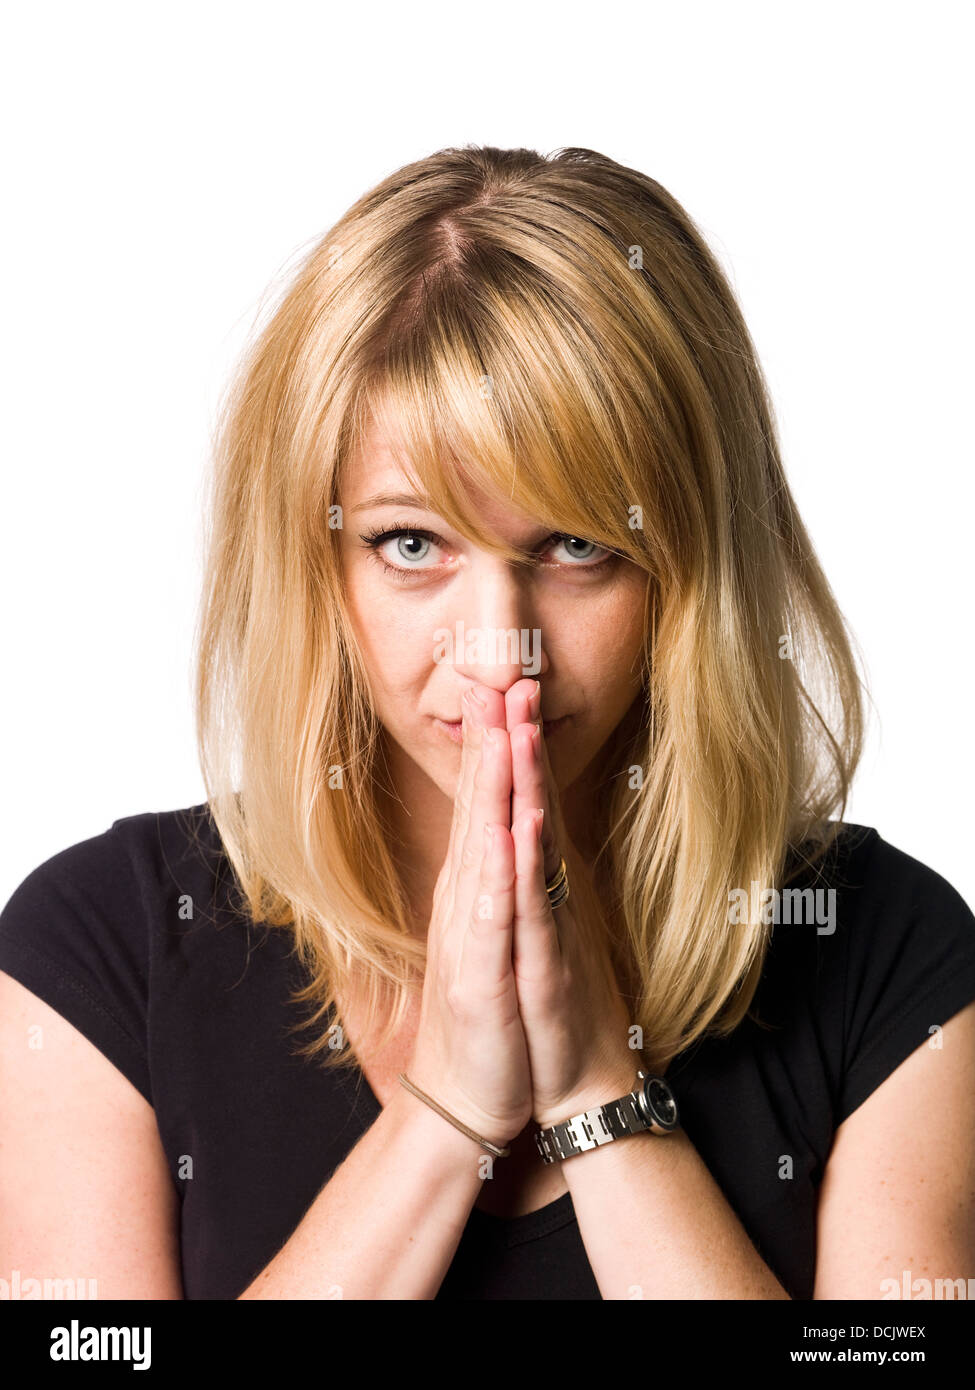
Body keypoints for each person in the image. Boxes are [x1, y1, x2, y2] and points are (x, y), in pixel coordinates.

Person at [1, 144, 973, 1302]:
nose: (500, 646)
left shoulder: (890, 952)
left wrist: (599, 1094)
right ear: (319, 565)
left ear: (688, 572)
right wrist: (445, 1110)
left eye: (578, 545)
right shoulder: (98, 953)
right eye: (411, 543)